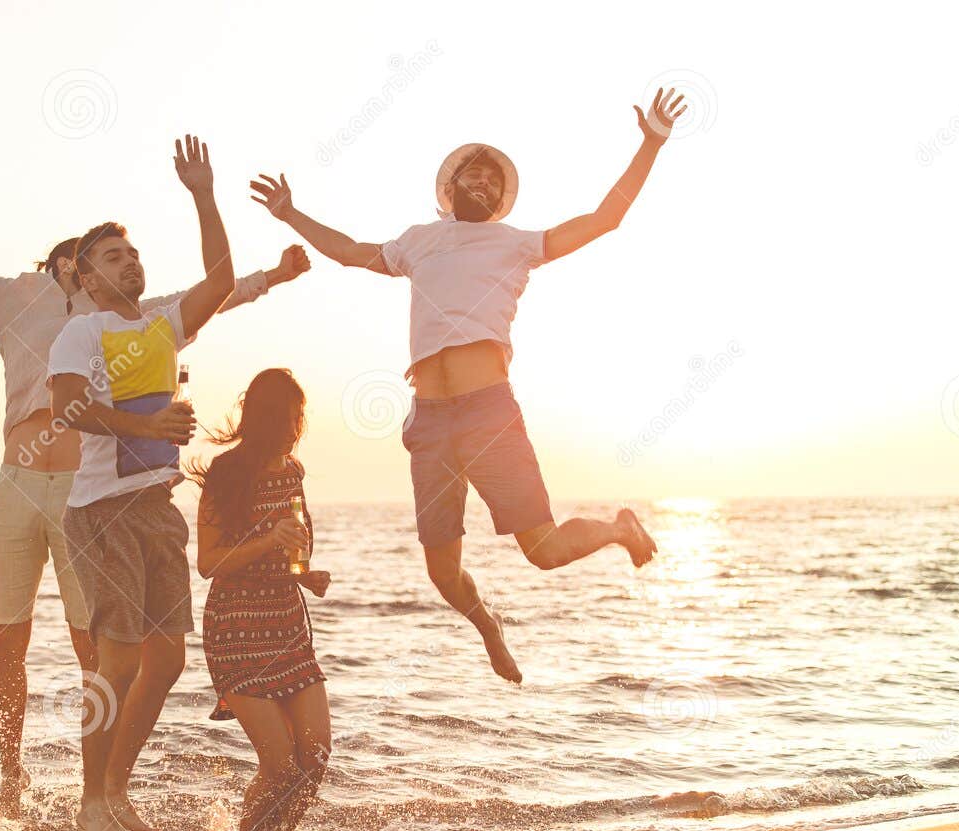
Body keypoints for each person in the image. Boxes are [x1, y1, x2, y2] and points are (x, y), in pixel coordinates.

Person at [0, 158, 310, 817]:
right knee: (9, 638)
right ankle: (13, 777)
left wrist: (272, 276)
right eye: (93, 254)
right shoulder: (9, 296)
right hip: (18, 482)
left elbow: (213, 292)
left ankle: (93, 785)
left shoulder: (128, 318)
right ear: (65, 264)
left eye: (115, 253)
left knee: (95, 644)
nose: (100, 263)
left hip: (86, 486)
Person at [251, 88, 688, 684]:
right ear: (450, 187)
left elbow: (605, 219)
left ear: (500, 198)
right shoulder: (418, 242)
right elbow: (350, 253)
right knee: (440, 572)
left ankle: (619, 529)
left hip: (489, 414)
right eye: (472, 176)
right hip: (430, 421)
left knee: (544, 551)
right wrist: (290, 214)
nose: (481, 184)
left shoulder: (516, 244)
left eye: (491, 180)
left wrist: (651, 143)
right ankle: (489, 627)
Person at [45, 134, 233, 831]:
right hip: (100, 511)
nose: (128, 261)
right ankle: (89, 803)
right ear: (87, 278)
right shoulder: (81, 331)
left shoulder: (160, 323)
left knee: (169, 659)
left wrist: (203, 195)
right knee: (116, 657)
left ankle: (116, 790)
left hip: (159, 506)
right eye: (111, 255)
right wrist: (143, 420)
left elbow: (219, 279)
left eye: (132, 252)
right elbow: (67, 408)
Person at [190, 369, 331, 831]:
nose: (298, 427)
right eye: (292, 417)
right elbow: (209, 563)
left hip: (286, 623)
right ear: (269, 417)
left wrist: (305, 574)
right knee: (280, 766)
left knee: (315, 756)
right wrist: (268, 539)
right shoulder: (227, 474)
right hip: (236, 631)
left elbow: (294, 547)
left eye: (301, 417)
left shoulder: (292, 471)